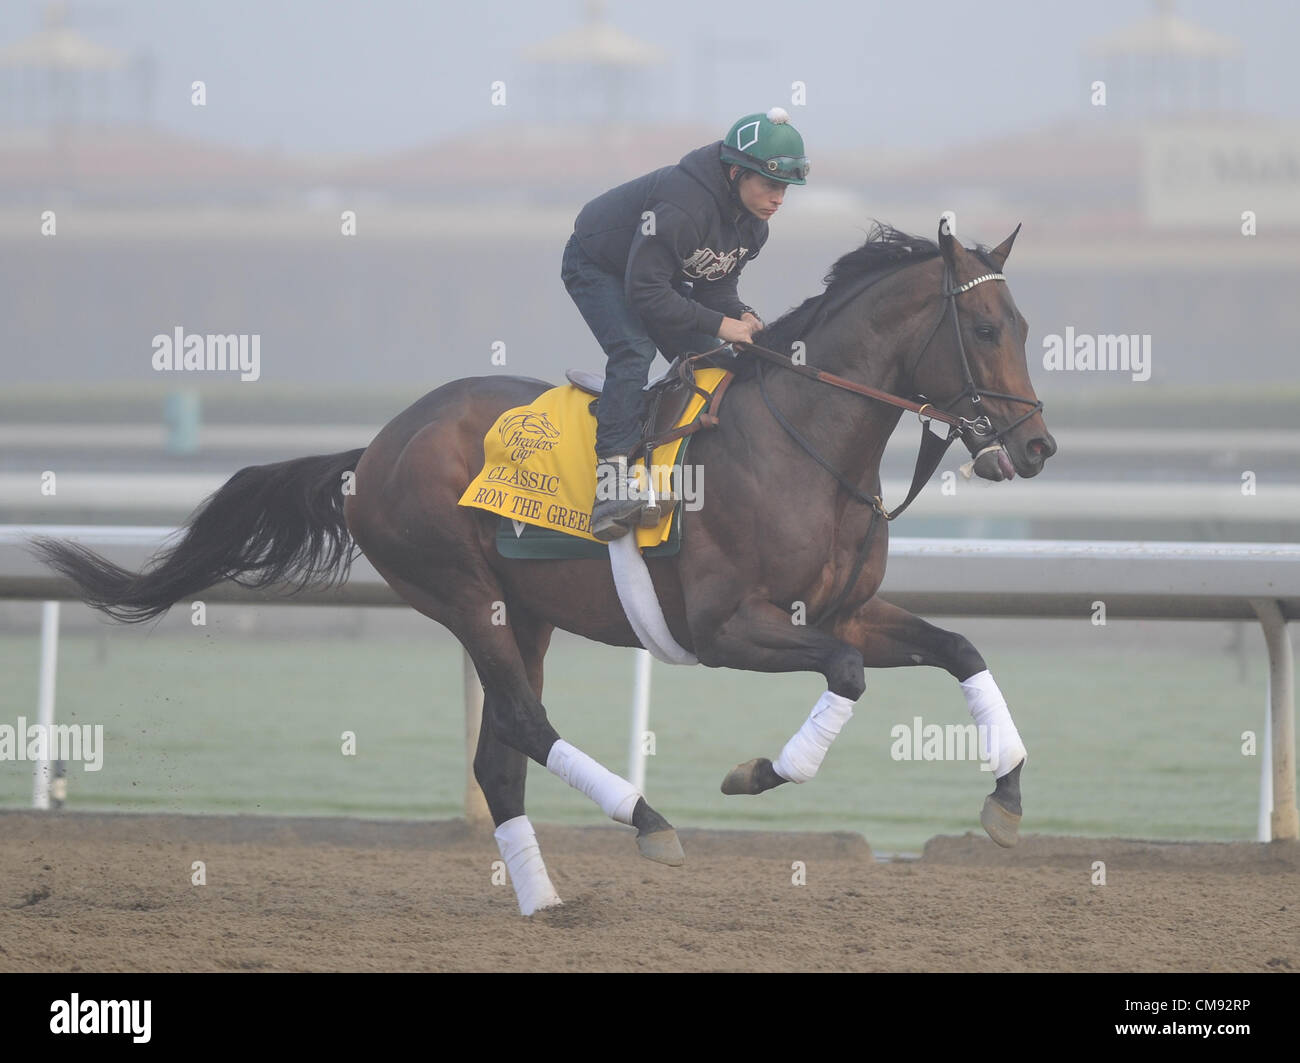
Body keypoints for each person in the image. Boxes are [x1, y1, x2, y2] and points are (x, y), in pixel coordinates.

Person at [561, 106, 809, 540]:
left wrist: (739, 316)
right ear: (736, 174)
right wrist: (721, 323)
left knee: (712, 357)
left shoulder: (753, 228)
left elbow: (715, 291)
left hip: (654, 276)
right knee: (634, 349)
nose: (779, 199)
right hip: (598, 267)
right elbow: (644, 294)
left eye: (785, 188)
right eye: (770, 185)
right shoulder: (684, 205)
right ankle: (611, 488)